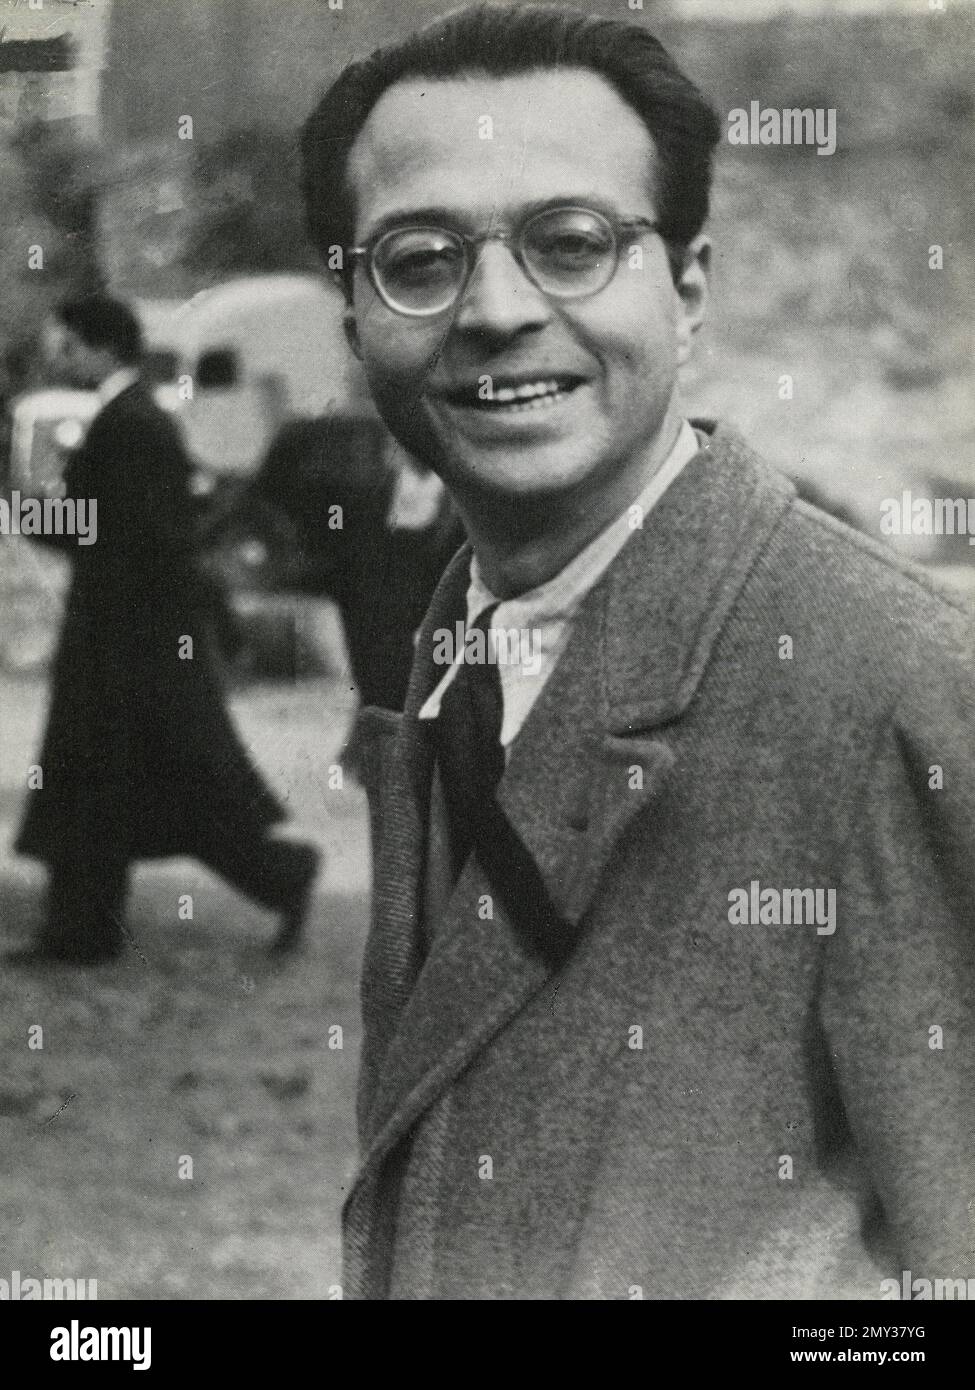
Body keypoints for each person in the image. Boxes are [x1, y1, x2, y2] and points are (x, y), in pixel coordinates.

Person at [300, 4, 974, 1299]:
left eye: (569, 244)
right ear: (351, 322)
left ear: (687, 291)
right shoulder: (461, 638)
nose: (494, 312)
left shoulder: (886, 687)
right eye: (418, 258)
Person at [7, 294, 319, 966]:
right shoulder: (131, 418)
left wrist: (30, 512)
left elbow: (127, 535)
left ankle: (90, 930)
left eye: (65, 342)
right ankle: (83, 931)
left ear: (98, 346)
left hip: (125, 640)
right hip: (129, 635)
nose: (57, 355)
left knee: (142, 782)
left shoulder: (130, 425)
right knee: (123, 784)